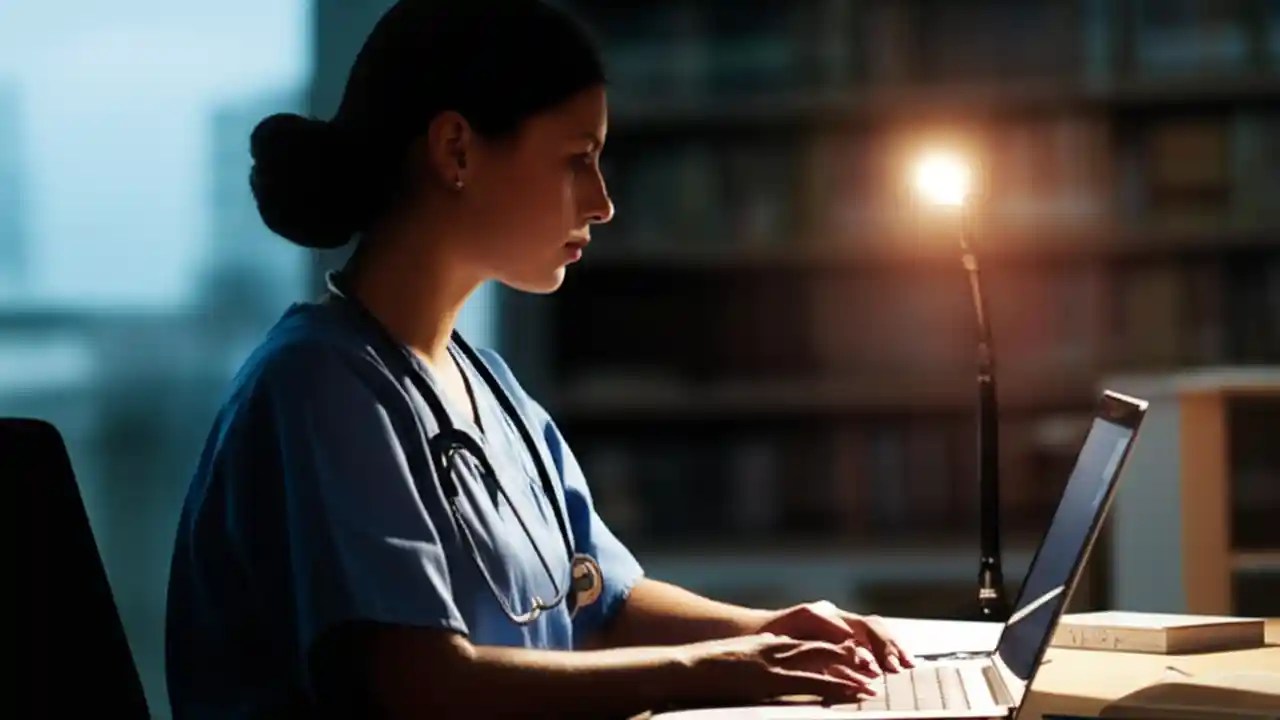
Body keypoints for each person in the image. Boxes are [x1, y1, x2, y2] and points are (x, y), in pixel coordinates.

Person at [164, 1, 916, 717]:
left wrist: (762, 632)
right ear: (457, 149)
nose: (601, 202)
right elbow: (423, 688)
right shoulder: (319, 388)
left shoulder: (490, 388)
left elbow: (602, 604)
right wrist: (705, 671)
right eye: (576, 159)